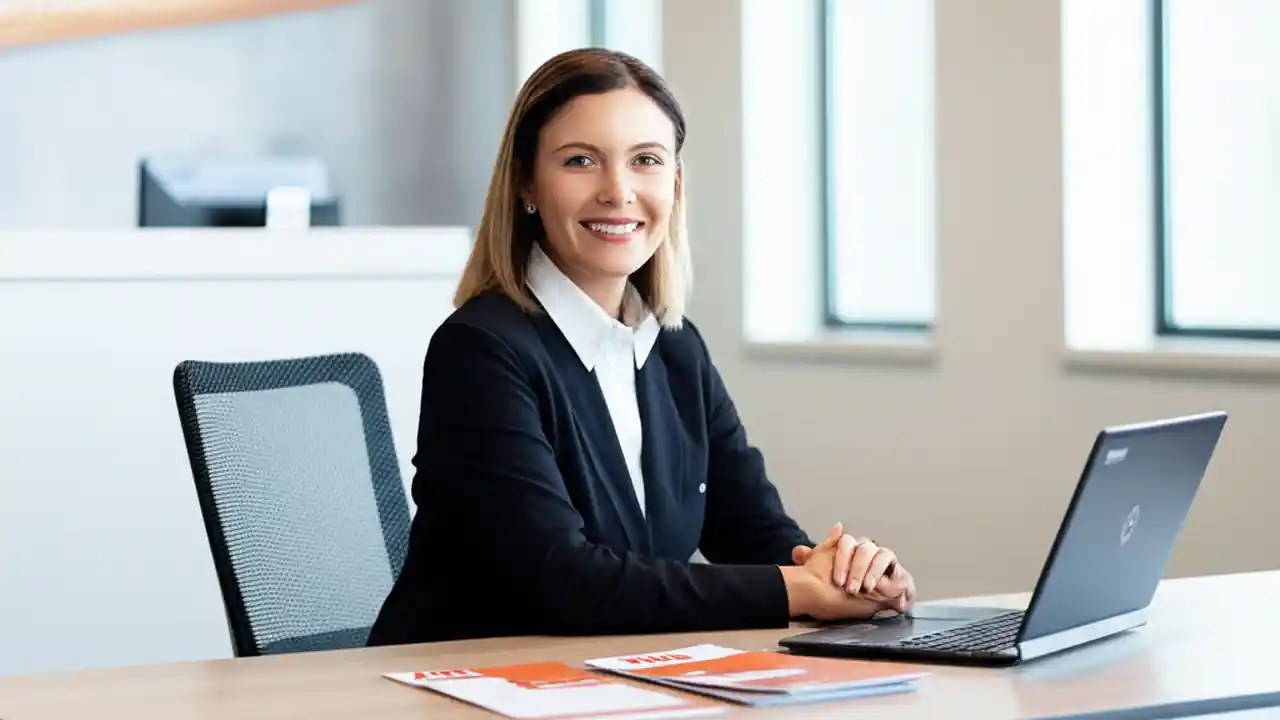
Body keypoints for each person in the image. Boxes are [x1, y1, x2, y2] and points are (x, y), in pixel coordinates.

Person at [367, 48, 915, 646]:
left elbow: (754, 531)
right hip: (462, 682)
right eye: (580, 161)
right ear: (526, 181)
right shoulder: (481, 351)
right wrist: (801, 591)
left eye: (645, 161)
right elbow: (560, 579)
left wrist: (848, 574)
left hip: (616, 681)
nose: (618, 191)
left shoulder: (674, 348)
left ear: (674, 186)